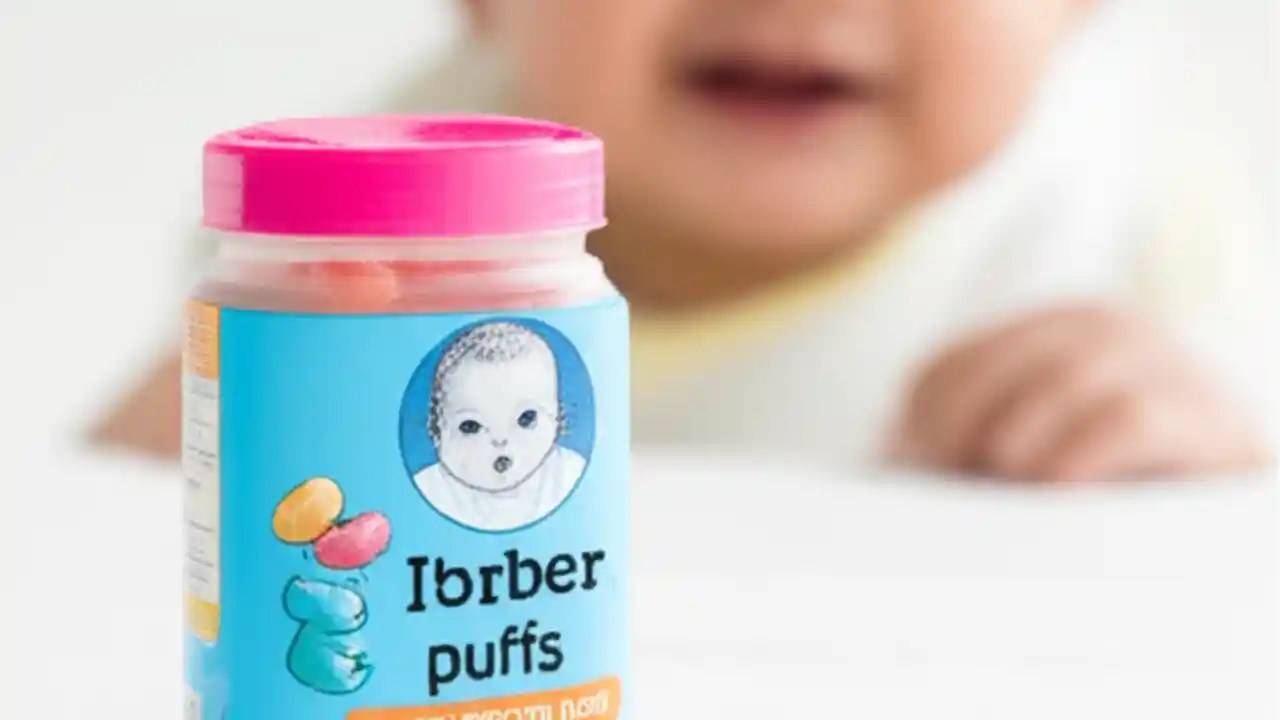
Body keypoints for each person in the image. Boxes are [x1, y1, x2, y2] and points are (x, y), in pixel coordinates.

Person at [95, 0, 1272, 481]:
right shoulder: (358, 221)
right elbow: (100, 512)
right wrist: (201, 430)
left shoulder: (1132, 228)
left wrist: (1208, 452)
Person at [412, 322, 586, 531]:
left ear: (557, 419)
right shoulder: (430, 489)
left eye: (526, 419)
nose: (500, 440)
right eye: (471, 426)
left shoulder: (567, 474)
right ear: (437, 430)